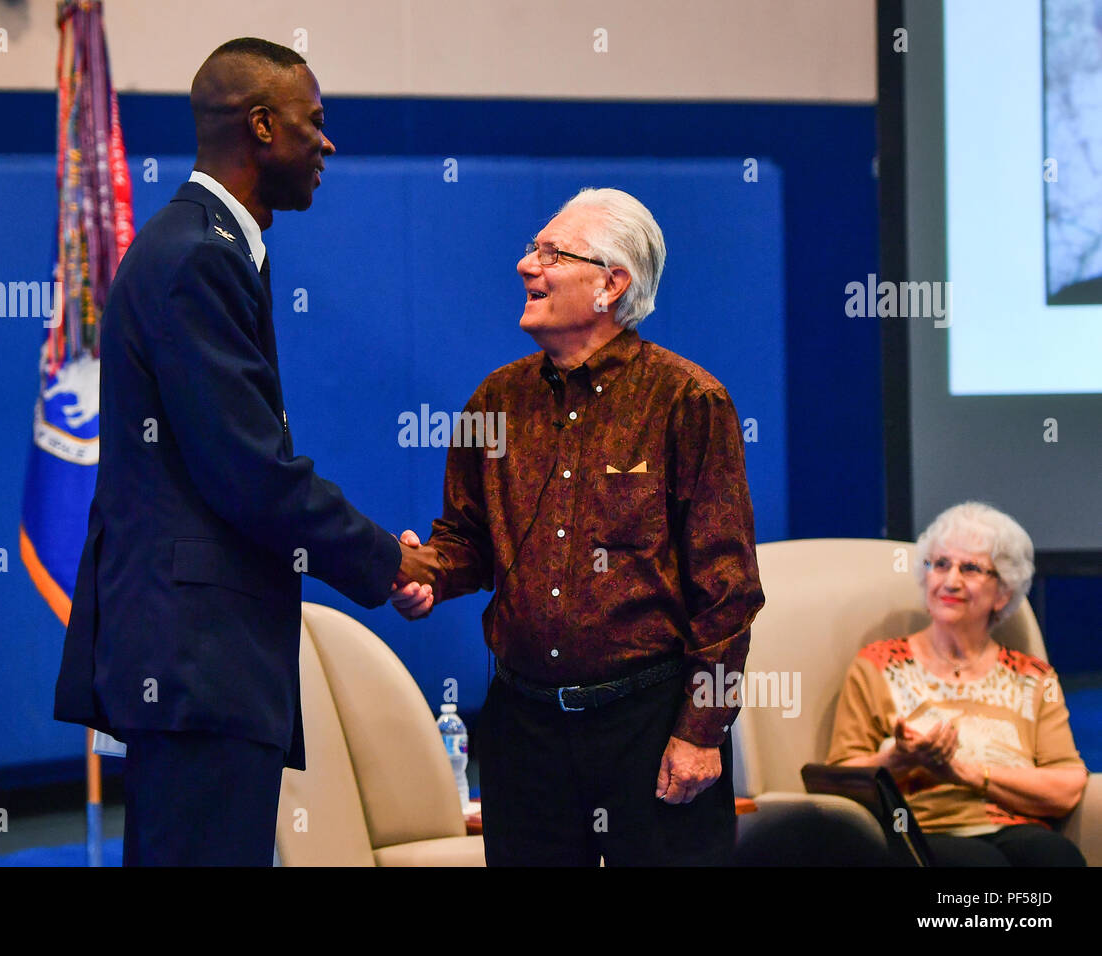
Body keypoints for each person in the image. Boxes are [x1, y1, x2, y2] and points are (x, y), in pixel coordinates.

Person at [53, 38, 436, 866]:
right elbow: (250, 473)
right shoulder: (198, 256)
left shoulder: (208, 246)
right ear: (262, 127)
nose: (327, 143)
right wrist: (389, 562)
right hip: (197, 661)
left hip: (197, 659)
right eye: (314, 122)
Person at [391, 188, 765, 866]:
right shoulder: (495, 400)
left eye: (547, 254)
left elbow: (728, 591)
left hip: (649, 724)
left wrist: (701, 733)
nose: (524, 268)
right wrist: (428, 576)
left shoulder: (689, 402)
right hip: (522, 727)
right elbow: (469, 540)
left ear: (611, 283)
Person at [827, 502, 1088, 866]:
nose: (951, 581)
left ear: (1003, 592)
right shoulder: (878, 665)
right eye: (940, 564)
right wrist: (896, 760)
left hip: (1015, 826)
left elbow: (1066, 785)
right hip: (922, 827)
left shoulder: (1034, 677)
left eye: (970, 568)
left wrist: (966, 773)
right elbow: (837, 777)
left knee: (1056, 856)